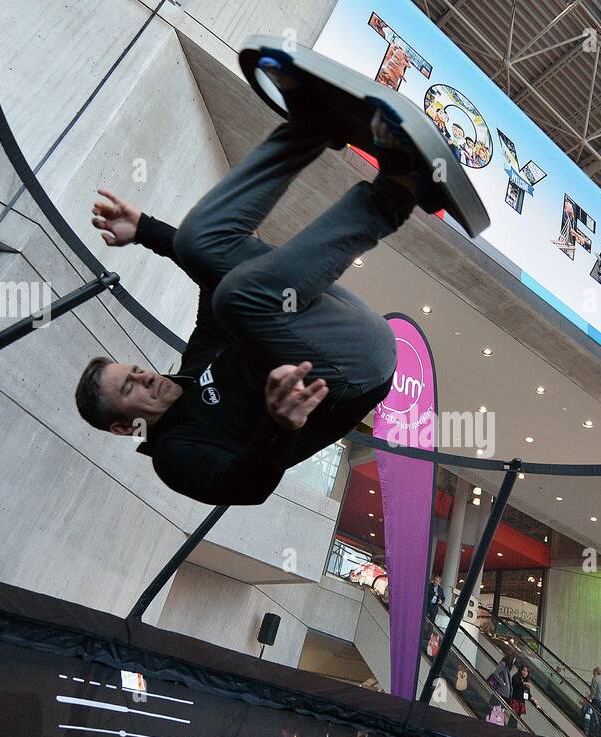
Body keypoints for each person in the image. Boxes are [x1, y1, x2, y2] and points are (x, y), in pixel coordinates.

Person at [74, 61, 439, 507]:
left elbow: (210, 278)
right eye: (131, 388)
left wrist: (147, 231)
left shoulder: (195, 364)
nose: (146, 376)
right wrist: (279, 425)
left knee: (197, 247)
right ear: (123, 427)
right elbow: (243, 488)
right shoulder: (175, 454)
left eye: (134, 371)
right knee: (234, 298)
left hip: (331, 327)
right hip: (351, 375)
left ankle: (313, 126)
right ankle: (399, 191)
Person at [583, 665, 601, 737]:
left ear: (595, 671)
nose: (592, 673)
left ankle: (595, 735)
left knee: (595, 719)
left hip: (595, 701)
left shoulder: (595, 679)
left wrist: (589, 698)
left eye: (593, 671)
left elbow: (593, 691)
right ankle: (600, 736)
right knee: (599, 718)